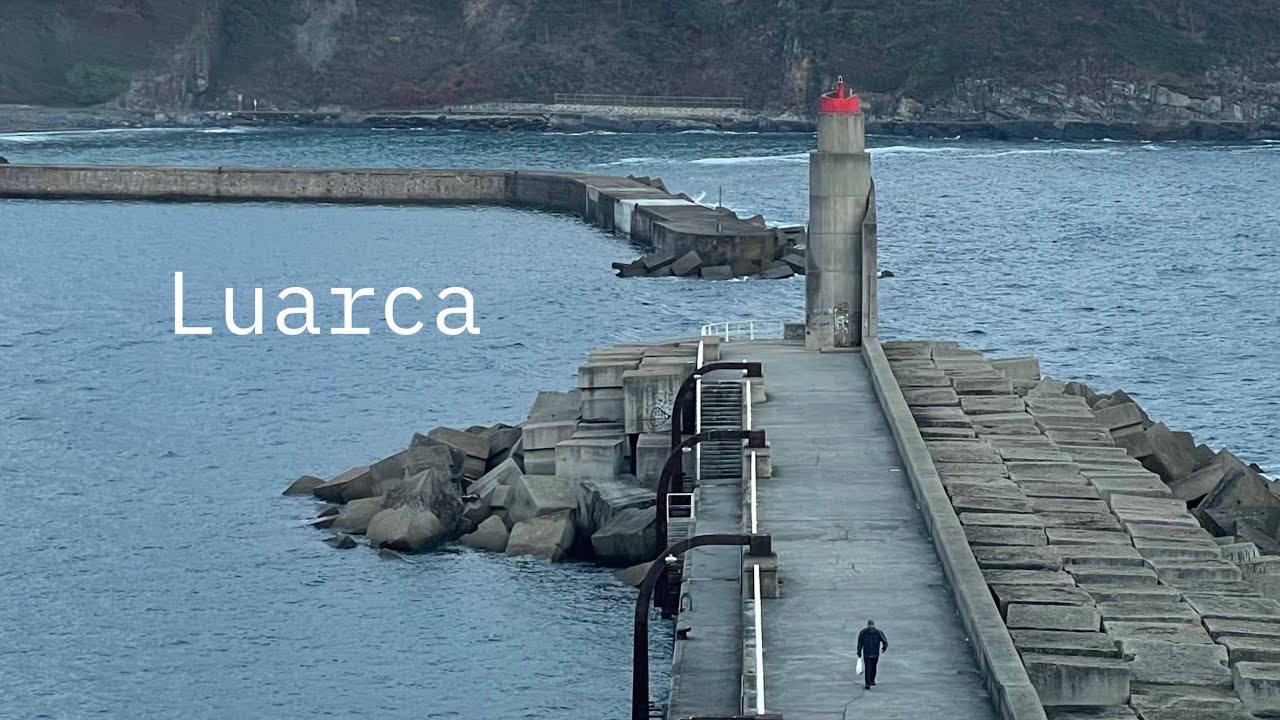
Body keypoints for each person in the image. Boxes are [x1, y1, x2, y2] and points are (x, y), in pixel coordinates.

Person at [856, 620, 888, 690]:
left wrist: (859, 652)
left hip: (867, 654)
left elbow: (860, 643)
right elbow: (885, 641)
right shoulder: (878, 632)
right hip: (875, 654)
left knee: (868, 668)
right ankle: (872, 680)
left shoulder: (863, 632)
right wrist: (884, 648)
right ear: (873, 625)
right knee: (874, 667)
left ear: (868, 625)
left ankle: (868, 684)